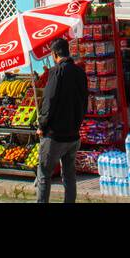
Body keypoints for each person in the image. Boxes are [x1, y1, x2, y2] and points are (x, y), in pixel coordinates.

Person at [35, 37, 88, 203]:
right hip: (73, 135)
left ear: (54, 54)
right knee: (69, 176)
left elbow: (48, 102)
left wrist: (42, 125)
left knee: (44, 175)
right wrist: (77, 124)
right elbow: (84, 102)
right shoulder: (80, 73)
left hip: (55, 136)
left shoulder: (56, 72)